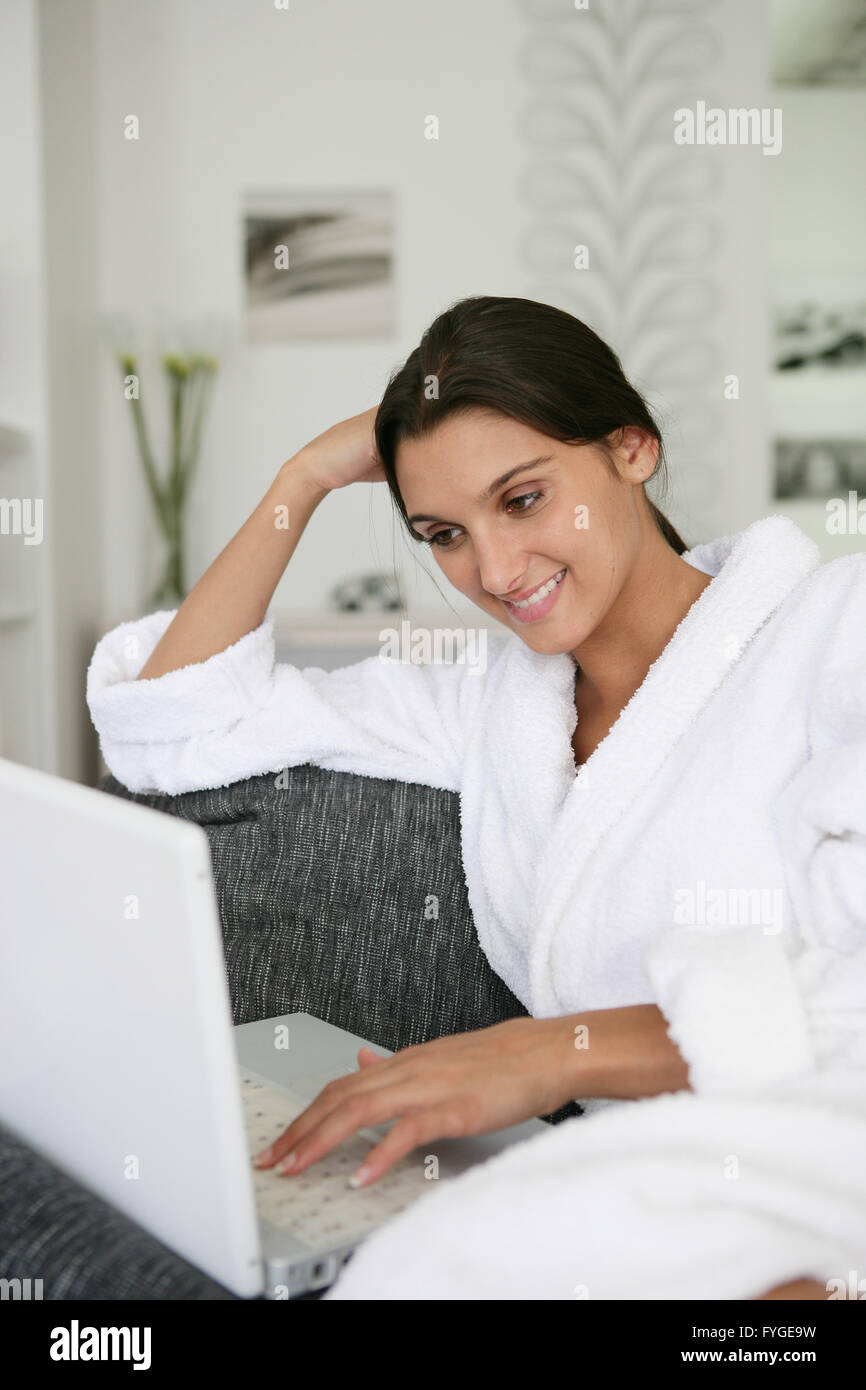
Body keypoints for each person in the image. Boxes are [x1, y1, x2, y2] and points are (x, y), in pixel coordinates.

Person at [87, 296, 866, 1300]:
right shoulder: (492, 711)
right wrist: (305, 478)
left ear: (630, 448)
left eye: (523, 498)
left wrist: (548, 1053)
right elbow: (171, 728)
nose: (494, 571)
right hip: (643, 1204)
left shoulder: (835, 632)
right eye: (443, 532)